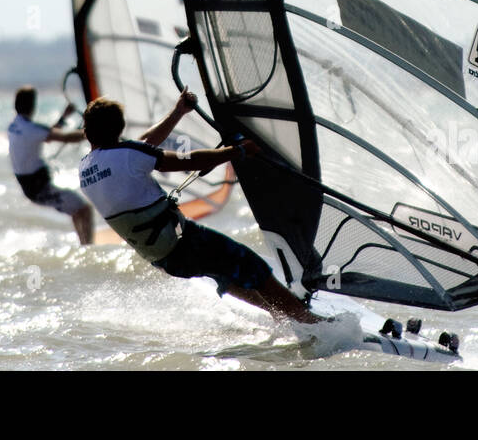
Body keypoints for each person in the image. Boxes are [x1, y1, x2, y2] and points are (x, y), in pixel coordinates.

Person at [79, 92, 322, 325]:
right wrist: (237, 151)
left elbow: (143, 145)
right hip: (183, 243)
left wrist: (178, 112)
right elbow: (189, 160)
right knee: (251, 265)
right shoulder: (129, 154)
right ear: (119, 128)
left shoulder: (85, 169)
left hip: (163, 259)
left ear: (86, 132)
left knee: (225, 275)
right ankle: (308, 321)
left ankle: (285, 316)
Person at [7, 86, 94, 244]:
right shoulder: (31, 129)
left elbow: (46, 134)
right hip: (40, 190)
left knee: (76, 209)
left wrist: (64, 117)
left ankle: (83, 244)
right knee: (84, 209)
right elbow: (66, 137)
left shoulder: (14, 126)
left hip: (32, 188)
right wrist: (92, 131)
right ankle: (88, 247)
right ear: (33, 106)